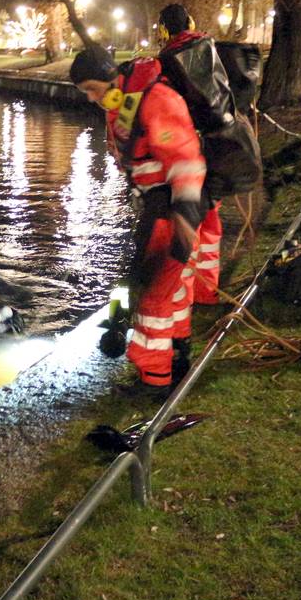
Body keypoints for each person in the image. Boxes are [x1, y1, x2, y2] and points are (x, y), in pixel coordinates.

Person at [70, 44, 206, 393]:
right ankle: (178, 357)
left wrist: (184, 223)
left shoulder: (156, 100)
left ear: (110, 79)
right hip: (160, 209)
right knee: (172, 291)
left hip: (173, 210)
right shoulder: (125, 103)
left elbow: (185, 163)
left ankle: (154, 379)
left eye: (92, 90)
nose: (91, 99)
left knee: (152, 299)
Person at [156, 3, 262, 307]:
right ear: (190, 21)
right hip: (223, 144)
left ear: (164, 30)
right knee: (212, 221)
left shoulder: (166, 61)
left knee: (193, 224)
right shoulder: (210, 46)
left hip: (192, 148)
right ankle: (208, 290)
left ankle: (185, 296)